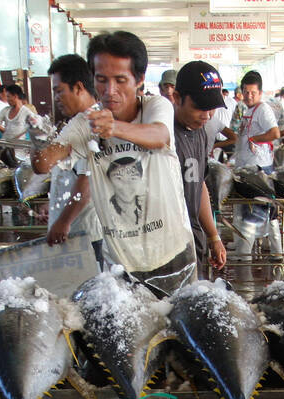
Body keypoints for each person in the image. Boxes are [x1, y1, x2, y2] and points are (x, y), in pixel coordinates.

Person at [32, 31, 195, 296]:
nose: (110, 91)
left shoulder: (156, 106)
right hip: (120, 264)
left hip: (172, 253)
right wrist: (41, 144)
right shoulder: (85, 123)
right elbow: (45, 162)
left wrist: (114, 127)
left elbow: (159, 135)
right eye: (101, 80)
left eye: (120, 80)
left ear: (139, 79)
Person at [43, 53, 103, 267]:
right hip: (75, 231)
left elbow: (87, 181)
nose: (57, 99)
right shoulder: (77, 123)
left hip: (85, 233)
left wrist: (63, 221)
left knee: (87, 295)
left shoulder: (92, 123)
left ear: (78, 87)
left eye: (59, 91)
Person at [172, 60, 229, 278]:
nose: (206, 116)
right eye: (199, 107)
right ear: (177, 98)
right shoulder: (164, 134)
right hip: (169, 247)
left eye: (211, 108)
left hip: (194, 241)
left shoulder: (200, 132)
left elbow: (199, 183)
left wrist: (213, 235)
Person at [230, 70, 281, 256]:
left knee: (254, 212)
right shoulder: (246, 109)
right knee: (256, 211)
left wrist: (256, 139)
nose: (249, 95)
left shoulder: (263, 109)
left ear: (260, 93)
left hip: (259, 169)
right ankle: (273, 251)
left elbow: (275, 133)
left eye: (253, 92)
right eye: (246, 91)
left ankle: (246, 254)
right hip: (246, 167)